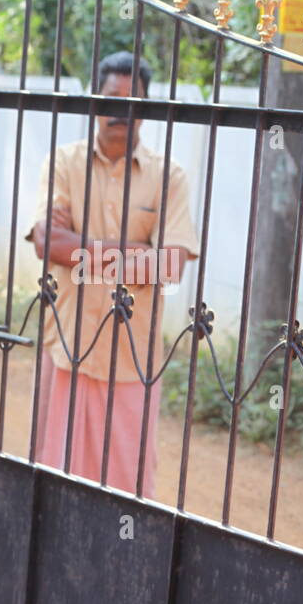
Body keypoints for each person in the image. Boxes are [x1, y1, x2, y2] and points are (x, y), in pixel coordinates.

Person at [27, 51, 198, 495]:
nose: (121, 109)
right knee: (54, 477)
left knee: (127, 487)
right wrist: (135, 254)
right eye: (112, 97)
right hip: (67, 343)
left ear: (147, 107)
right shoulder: (64, 163)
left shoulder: (169, 177)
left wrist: (80, 251)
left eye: (132, 99)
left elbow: (171, 263)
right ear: (95, 102)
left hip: (132, 357)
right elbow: (47, 243)